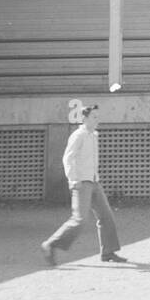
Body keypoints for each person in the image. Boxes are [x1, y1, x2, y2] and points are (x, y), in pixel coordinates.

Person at [41, 105, 128, 265]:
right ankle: (50, 244)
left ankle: (108, 252)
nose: (97, 119)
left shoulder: (93, 135)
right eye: (94, 116)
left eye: (98, 116)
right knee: (79, 220)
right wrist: (73, 179)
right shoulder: (78, 135)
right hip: (81, 183)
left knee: (106, 216)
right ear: (84, 118)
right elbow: (68, 158)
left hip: (94, 181)